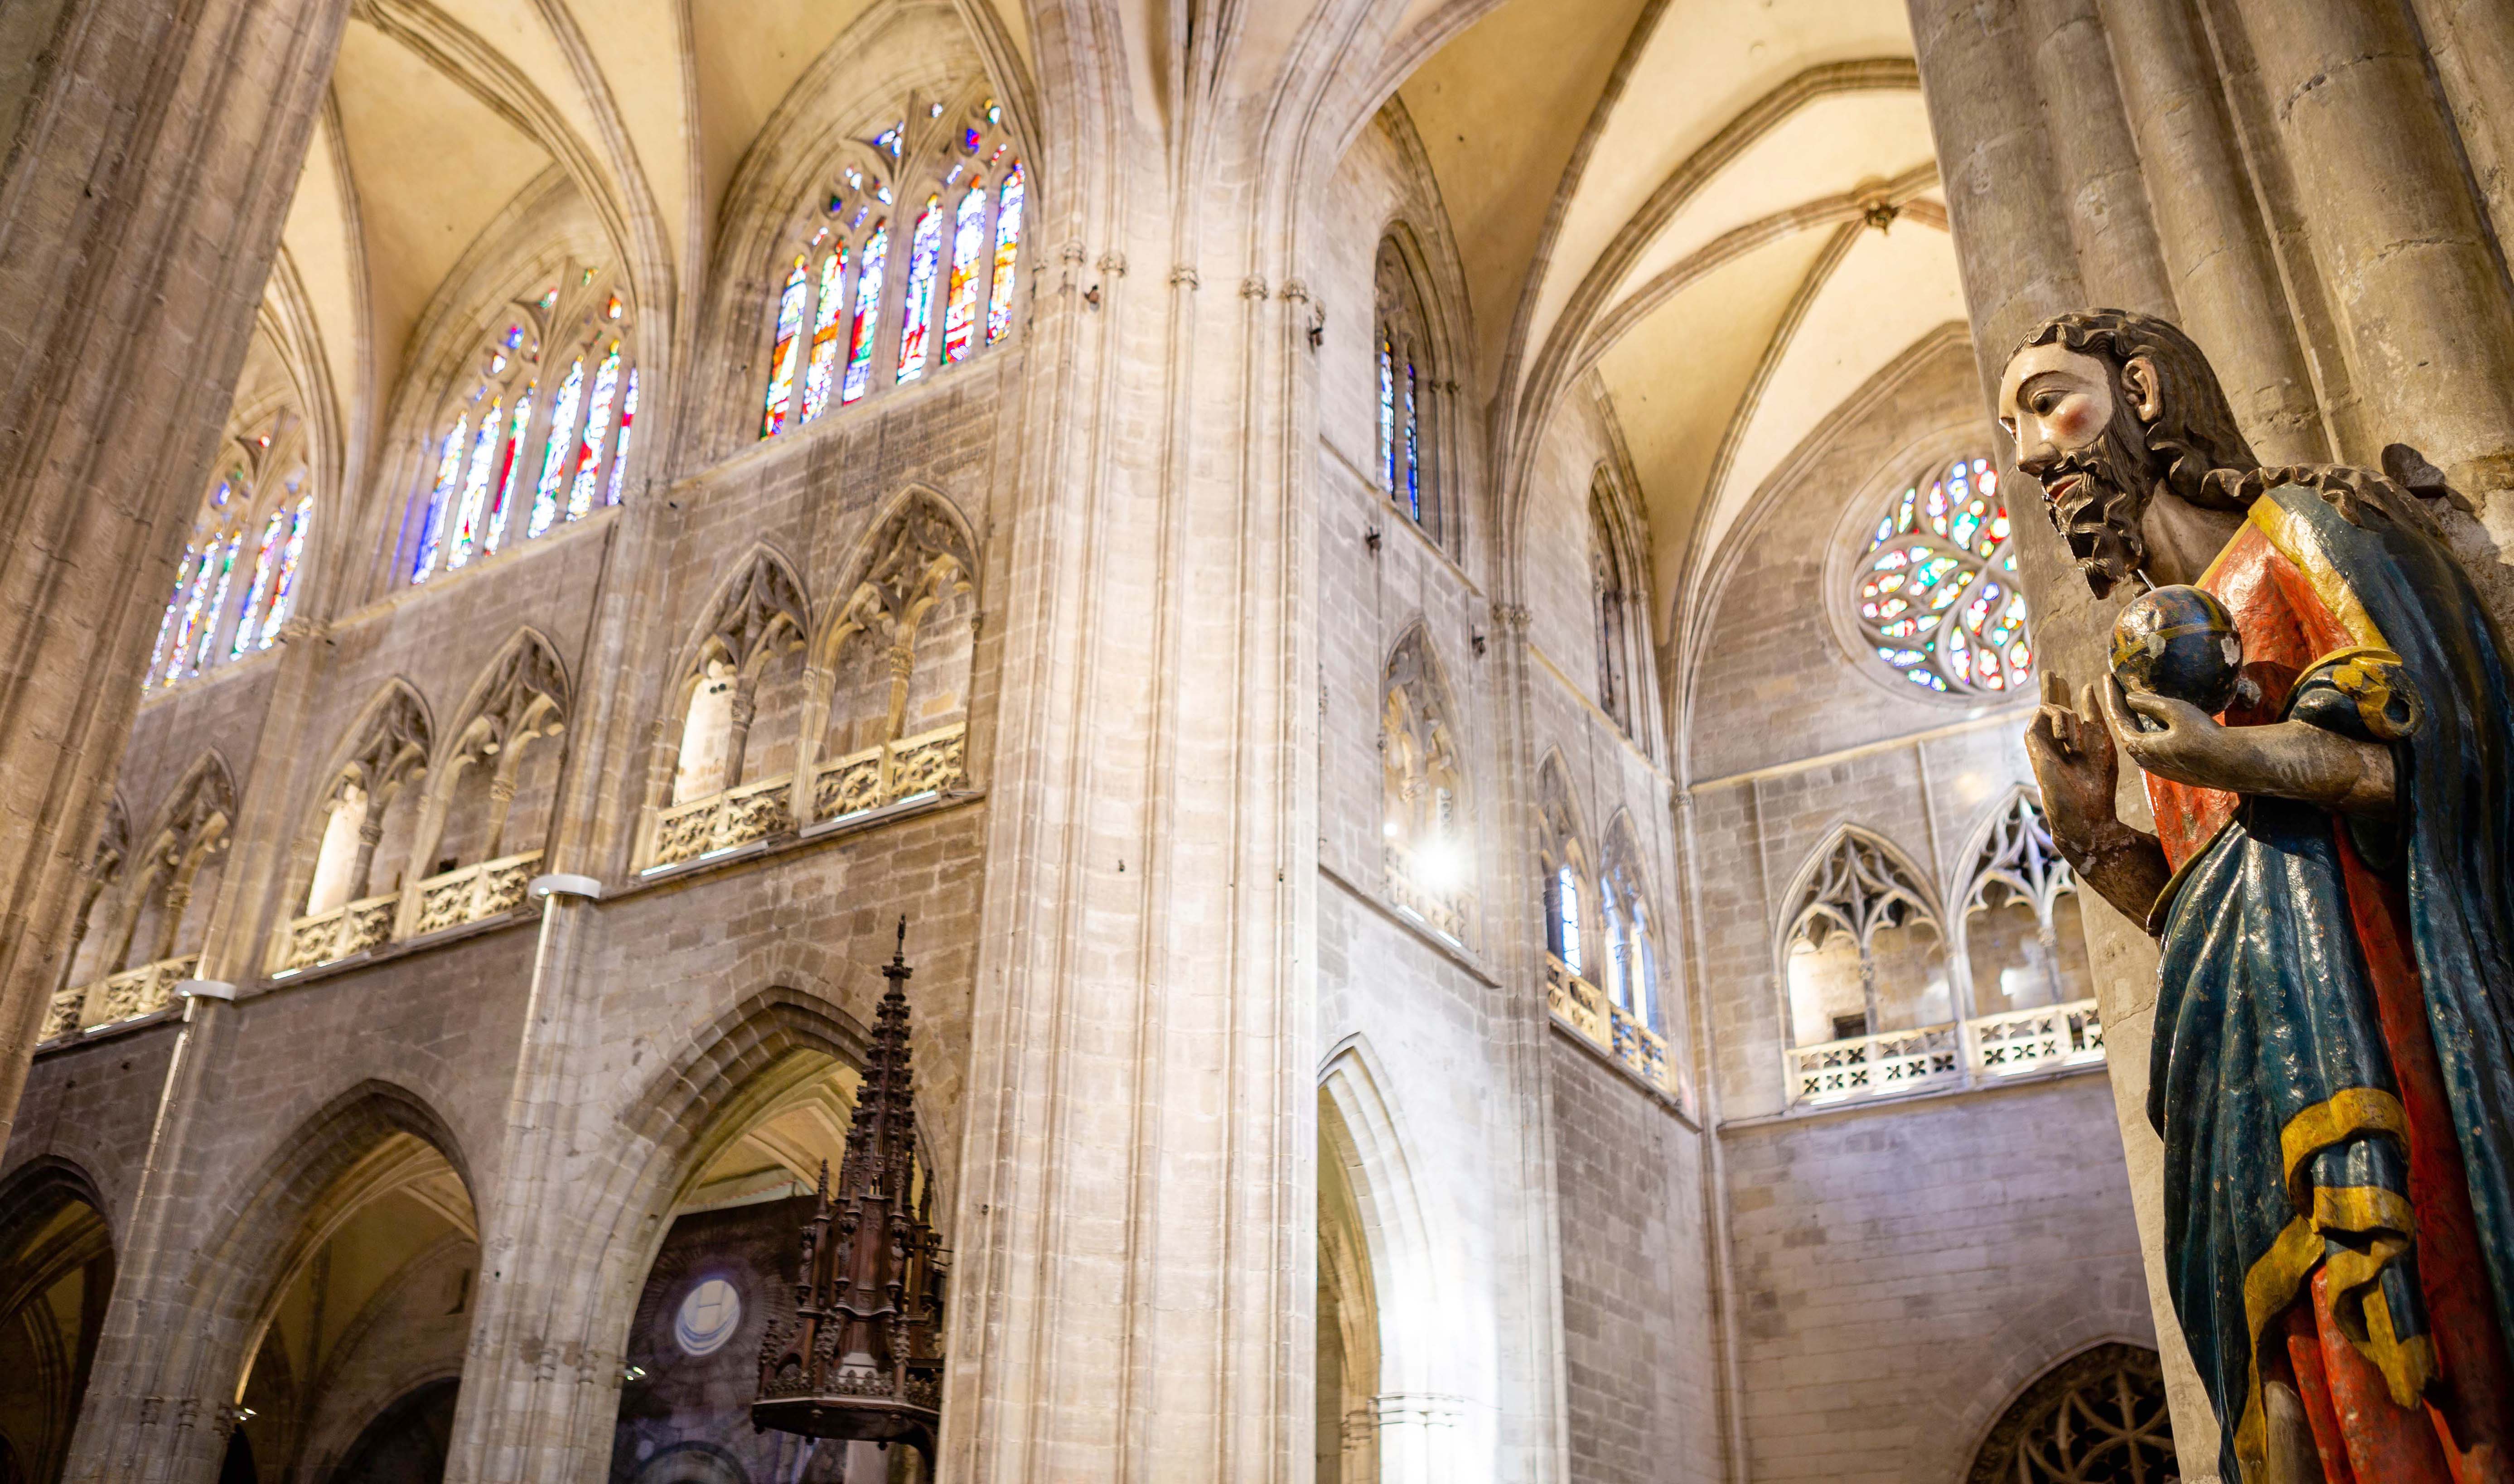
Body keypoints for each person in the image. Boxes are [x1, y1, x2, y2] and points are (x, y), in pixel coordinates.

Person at [2006, 309, 2514, 1484]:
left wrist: (2222, 753)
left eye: (2047, 403)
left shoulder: (2298, 536)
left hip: (2369, 1007)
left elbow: (2412, 759)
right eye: (2015, 430)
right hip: (2230, 1047)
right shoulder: (2149, 658)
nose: (2031, 456)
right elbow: (2200, 900)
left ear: (2142, 389)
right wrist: (2094, 837)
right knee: (2283, 1376)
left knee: (2402, 1334)